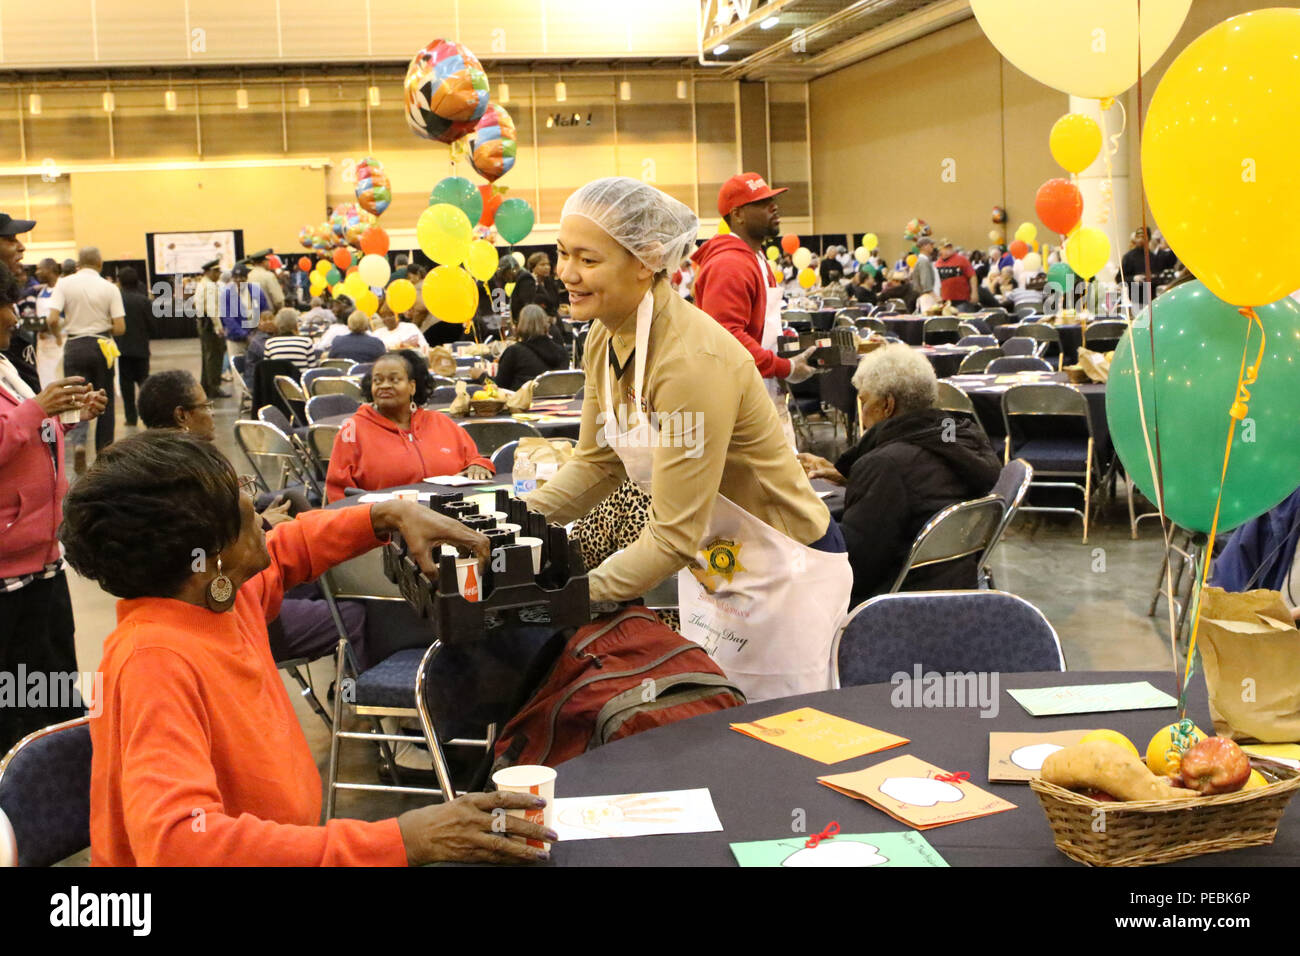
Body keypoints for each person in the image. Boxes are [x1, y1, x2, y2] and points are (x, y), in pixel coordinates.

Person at [60, 431, 552, 866]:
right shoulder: (154, 663)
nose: (257, 507)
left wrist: (386, 514)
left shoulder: (218, 597)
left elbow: (288, 550)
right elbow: (180, 846)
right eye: (238, 496)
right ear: (204, 551)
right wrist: (401, 841)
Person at [527, 177, 852, 702]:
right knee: (712, 719)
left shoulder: (688, 364)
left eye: (587, 260)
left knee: (776, 730)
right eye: (562, 254)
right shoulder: (602, 338)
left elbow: (672, 537)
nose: (566, 273)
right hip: (715, 560)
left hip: (781, 565)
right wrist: (511, 523)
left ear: (646, 259)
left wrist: (568, 598)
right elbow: (597, 464)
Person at [0, 261, 110, 755]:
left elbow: (25, 438)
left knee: (53, 688)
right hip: (7, 573)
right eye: (6, 306)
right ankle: (21, 804)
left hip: (41, 561)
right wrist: (35, 410)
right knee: (16, 698)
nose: (12, 317)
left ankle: (61, 788)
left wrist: (65, 421)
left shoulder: (5, 366)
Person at [798, 344, 1001, 607]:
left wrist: (800, 507)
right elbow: (926, 483)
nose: (863, 414)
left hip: (899, 599)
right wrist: (850, 478)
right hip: (955, 583)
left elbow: (855, 567)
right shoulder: (956, 435)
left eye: (863, 401)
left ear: (887, 405)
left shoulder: (886, 466)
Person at [691, 172, 816, 448]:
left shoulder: (756, 259)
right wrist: (784, 367)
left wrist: (789, 344)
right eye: (762, 203)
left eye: (772, 200)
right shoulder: (729, 265)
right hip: (739, 400)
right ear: (738, 214)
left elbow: (760, 326)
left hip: (761, 388)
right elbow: (727, 338)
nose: (774, 207)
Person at [325, 350, 493, 502]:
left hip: (453, 515)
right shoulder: (352, 429)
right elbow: (338, 493)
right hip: (386, 527)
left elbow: (475, 458)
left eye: (394, 379)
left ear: (412, 386)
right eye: (378, 380)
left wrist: (479, 465)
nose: (384, 385)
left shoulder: (441, 422)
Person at [46, 246, 124, 465]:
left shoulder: (64, 284)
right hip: (102, 344)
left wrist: (59, 337)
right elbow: (120, 327)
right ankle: (104, 450)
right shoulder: (109, 287)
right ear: (100, 264)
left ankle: (79, 443)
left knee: (75, 398)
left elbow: (52, 319)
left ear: (78, 264)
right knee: (103, 398)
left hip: (75, 344)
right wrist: (101, 324)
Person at [495, 304, 570, 391]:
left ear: (520, 324)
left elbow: (500, 386)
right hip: (557, 402)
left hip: (523, 402)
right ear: (546, 323)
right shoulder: (562, 353)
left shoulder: (513, 352)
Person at [114, 267, 152, 428]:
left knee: (126, 386)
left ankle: (131, 418)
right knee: (144, 385)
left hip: (122, 350)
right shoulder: (144, 301)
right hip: (141, 349)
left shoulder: (117, 300)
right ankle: (149, 416)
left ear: (120, 282)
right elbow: (153, 325)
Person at [219, 262, 267, 366]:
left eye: (241, 277)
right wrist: (244, 335)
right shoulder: (226, 294)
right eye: (236, 277)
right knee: (238, 371)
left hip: (256, 338)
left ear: (246, 277)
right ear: (232, 278)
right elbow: (228, 319)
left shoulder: (256, 291)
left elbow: (264, 311)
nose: (239, 280)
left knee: (256, 369)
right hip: (236, 340)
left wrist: (259, 330)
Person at [193, 258, 228, 400]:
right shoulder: (211, 286)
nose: (219, 274)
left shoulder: (202, 283)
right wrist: (218, 327)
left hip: (203, 322)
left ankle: (207, 385)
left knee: (207, 355)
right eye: (216, 271)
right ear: (209, 272)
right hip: (210, 323)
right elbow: (213, 309)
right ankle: (214, 387)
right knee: (215, 356)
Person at [32, 257, 64, 387]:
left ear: (50, 269)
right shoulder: (42, 291)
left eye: (40, 269)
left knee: (61, 381)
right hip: (44, 344)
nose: (36, 272)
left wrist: (55, 331)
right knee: (45, 383)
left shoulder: (63, 287)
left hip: (60, 341)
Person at [510, 251, 565, 320]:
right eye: (542, 265)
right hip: (531, 321)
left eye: (548, 264)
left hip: (551, 320)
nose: (547, 267)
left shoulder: (549, 282)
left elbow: (554, 303)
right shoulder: (527, 280)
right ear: (533, 268)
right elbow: (528, 304)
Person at [263, 307, 318, 372]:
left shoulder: (270, 343)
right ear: (296, 323)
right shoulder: (306, 342)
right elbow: (312, 371)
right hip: (300, 381)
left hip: (277, 381)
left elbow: (266, 370)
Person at [935, 239, 979, 312]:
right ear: (940, 250)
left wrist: (974, 292)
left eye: (950, 247)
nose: (948, 250)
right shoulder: (938, 263)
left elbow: (972, 276)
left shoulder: (962, 260)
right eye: (945, 248)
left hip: (961, 300)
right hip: (944, 301)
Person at [910, 236, 940, 303]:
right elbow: (925, 282)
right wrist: (935, 297)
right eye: (931, 244)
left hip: (928, 296)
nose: (933, 246)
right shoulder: (923, 261)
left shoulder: (924, 260)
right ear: (924, 246)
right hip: (928, 297)